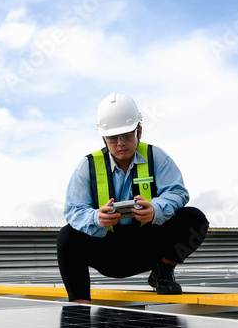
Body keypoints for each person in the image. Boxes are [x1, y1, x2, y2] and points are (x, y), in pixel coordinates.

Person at [56, 92, 208, 302]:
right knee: (67, 237)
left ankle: (162, 272)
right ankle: (80, 308)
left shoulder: (156, 157)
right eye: (113, 138)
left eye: (127, 135)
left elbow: (178, 192)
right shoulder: (87, 166)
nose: (121, 143)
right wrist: (96, 219)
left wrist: (155, 209)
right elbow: (73, 211)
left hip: (147, 245)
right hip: (107, 250)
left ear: (140, 131)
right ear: (103, 138)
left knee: (195, 219)